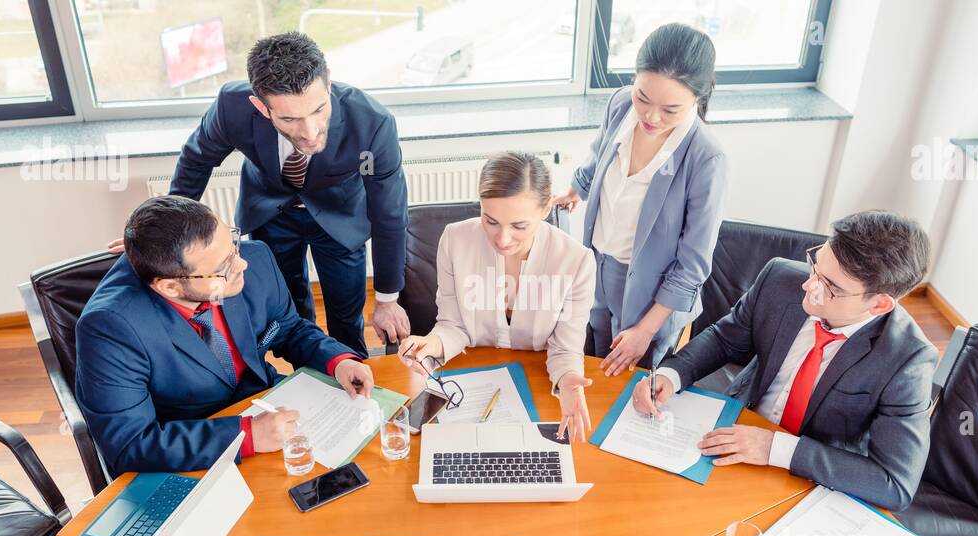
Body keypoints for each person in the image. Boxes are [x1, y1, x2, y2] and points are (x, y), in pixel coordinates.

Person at [125, 32, 412, 356]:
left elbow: (389, 214)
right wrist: (161, 233)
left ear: (328, 84)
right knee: (285, 310)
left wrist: (388, 298)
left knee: (345, 313)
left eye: (318, 110)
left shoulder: (372, 123)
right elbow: (196, 161)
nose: (310, 131)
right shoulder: (232, 107)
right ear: (261, 106)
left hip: (340, 217)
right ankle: (307, 371)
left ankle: (350, 374)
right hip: (270, 212)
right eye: (290, 118)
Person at [632, 211, 938, 511]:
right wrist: (671, 375)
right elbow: (725, 338)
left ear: (880, 303)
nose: (809, 286)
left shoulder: (908, 360)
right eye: (815, 267)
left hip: (809, 476)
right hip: (732, 430)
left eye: (830, 287)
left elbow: (894, 482)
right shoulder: (778, 279)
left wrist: (773, 448)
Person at [77, 195, 375, 474]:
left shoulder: (254, 259)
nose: (241, 264)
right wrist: (245, 434)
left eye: (233, 245)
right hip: (195, 448)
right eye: (223, 268)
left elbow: (291, 329)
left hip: (267, 406)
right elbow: (130, 445)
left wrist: (338, 361)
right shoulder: (110, 328)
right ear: (170, 287)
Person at [554, 23, 728, 375]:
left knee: (633, 384)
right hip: (596, 263)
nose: (650, 116)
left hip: (652, 292)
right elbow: (599, 154)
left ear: (698, 97)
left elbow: (693, 265)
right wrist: (576, 189)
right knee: (595, 363)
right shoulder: (620, 104)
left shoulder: (706, 158)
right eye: (643, 98)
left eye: (670, 110)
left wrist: (645, 330)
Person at [398, 152, 597, 441]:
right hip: (470, 380)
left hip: (537, 381)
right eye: (490, 221)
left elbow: (565, 349)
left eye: (519, 226)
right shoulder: (454, 240)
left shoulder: (576, 261)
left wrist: (567, 381)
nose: (503, 240)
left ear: (545, 209)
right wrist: (432, 343)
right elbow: (454, 325)